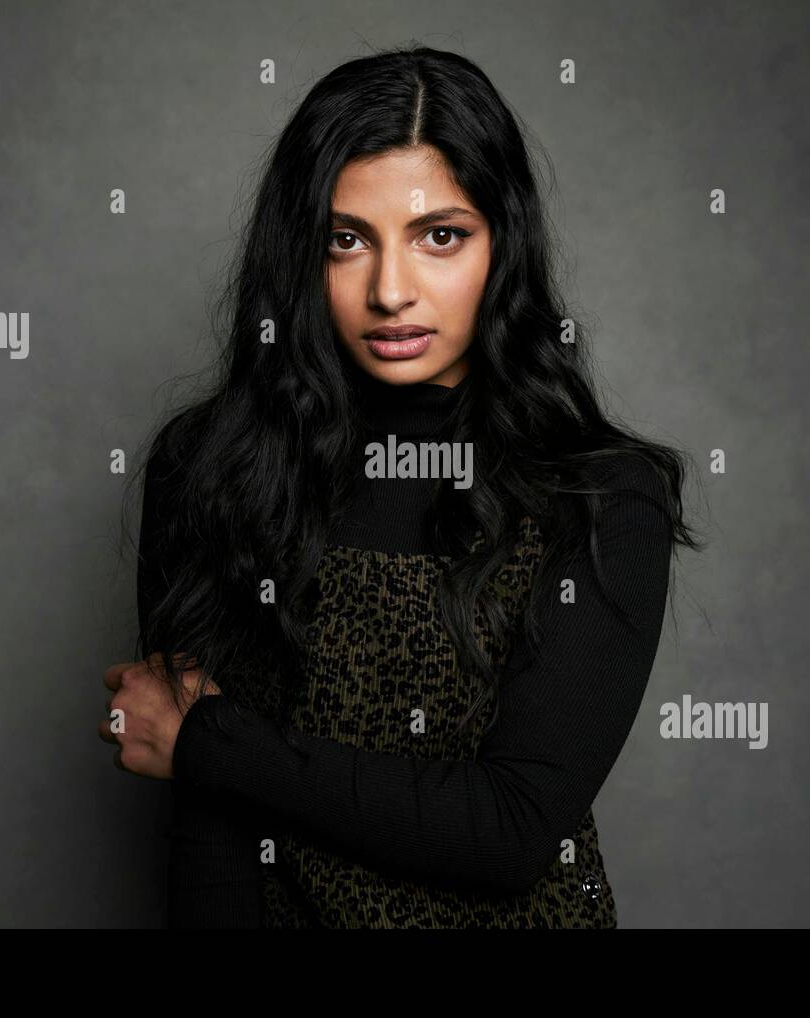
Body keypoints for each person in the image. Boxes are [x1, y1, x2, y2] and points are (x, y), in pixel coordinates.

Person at [99, 44, 701, 928]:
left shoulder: (601, 495)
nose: (390, 290)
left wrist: (207, 742)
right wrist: (207, 759)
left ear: (504, 246)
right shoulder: (213, 465)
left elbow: (511, 830)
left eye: (440, 237)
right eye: (347, 240)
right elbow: (211, 843)